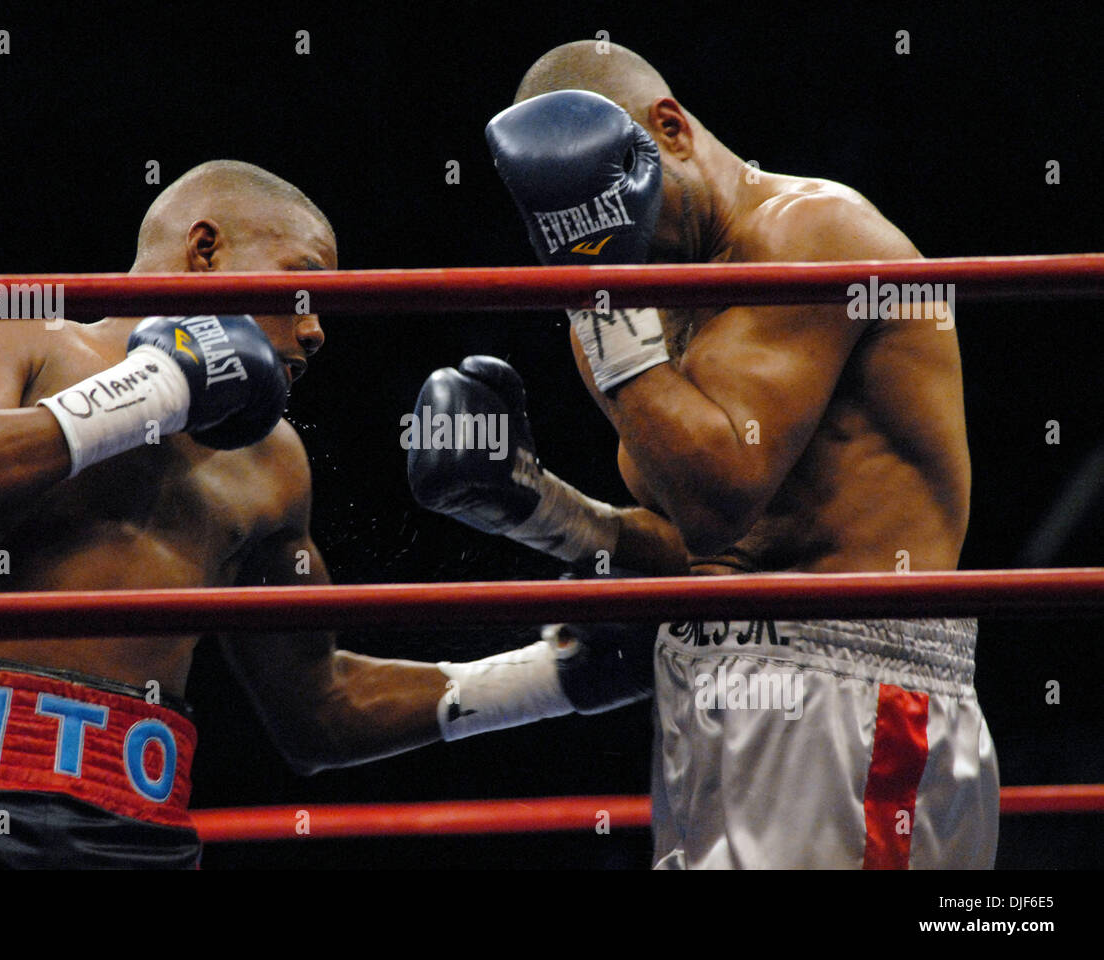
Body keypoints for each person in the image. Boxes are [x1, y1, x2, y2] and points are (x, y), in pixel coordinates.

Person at [0, 160, 651, 870]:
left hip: (126, 830)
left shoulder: (273, 464)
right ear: (204, 250)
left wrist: (550, 680)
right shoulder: (12, 337)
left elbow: (317, 706)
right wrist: (156, 389)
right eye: (298, 288)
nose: (317, 330)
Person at [406, 41, 999, 868]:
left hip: (855, 700)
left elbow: (724, 495)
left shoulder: (814, 232)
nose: (622, 251)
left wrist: (603, 303)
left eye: (618, 218)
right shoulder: (618, 303)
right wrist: (536, 503)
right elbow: (697, 545)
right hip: (707, 697)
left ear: (672, 132)